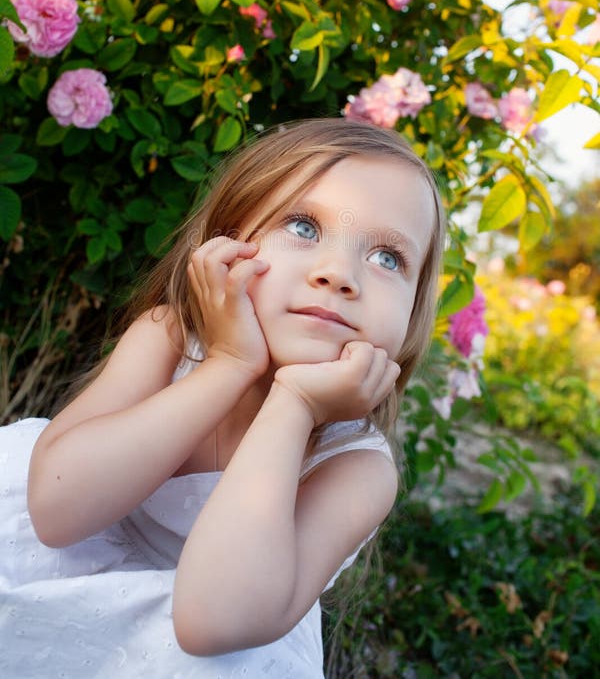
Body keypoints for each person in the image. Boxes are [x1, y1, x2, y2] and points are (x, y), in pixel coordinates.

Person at [0, 117, 445, 678]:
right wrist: (229, 366)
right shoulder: (166, 338)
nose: (339, 274)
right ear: (229, 242)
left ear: (410, 320)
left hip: (198, 637)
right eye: (304, 227)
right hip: (69, 560)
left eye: (389, 259)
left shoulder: (357, 466)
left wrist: (296, 405)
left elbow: (212, 623)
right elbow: (57, 515)